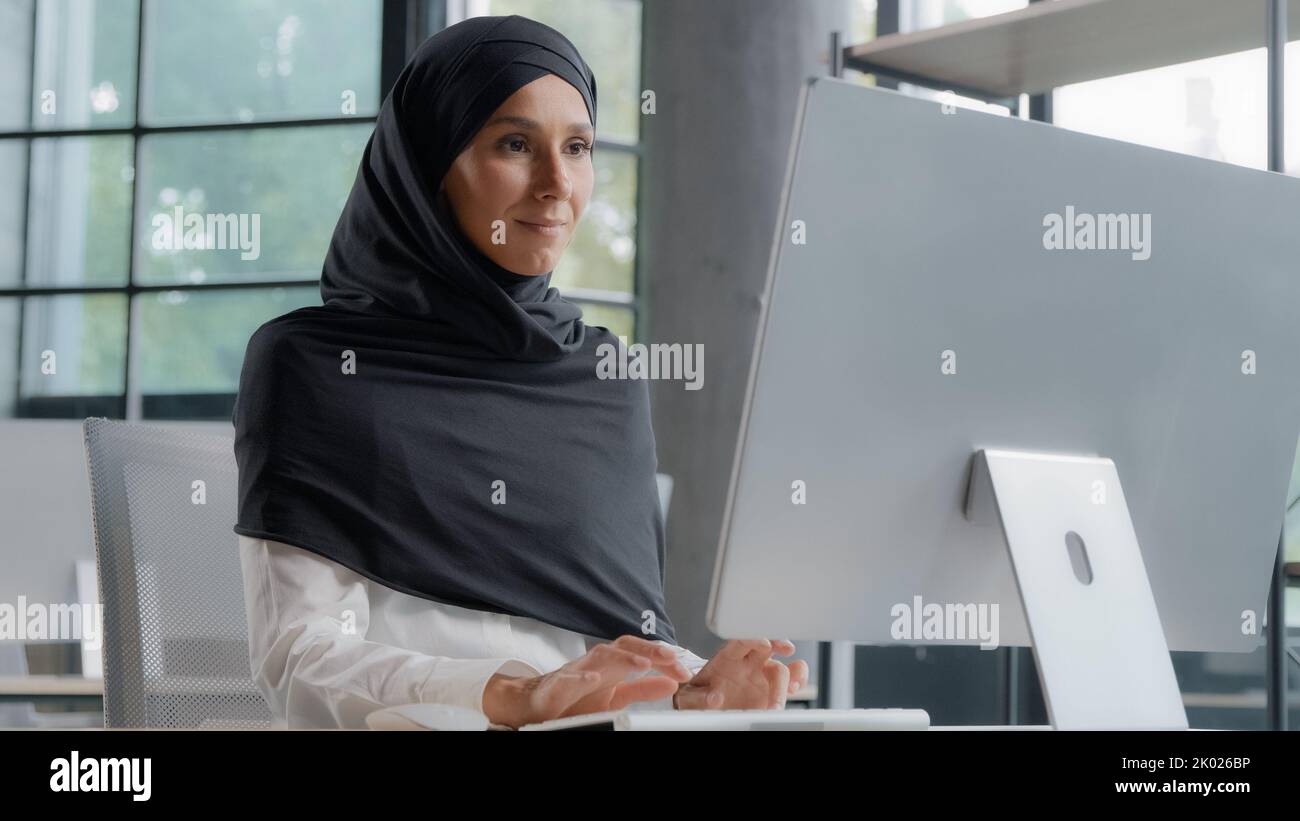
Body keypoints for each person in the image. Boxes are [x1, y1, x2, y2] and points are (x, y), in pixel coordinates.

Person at [231, 14, 808, 730]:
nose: (557, 183)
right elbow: (297, 656)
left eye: (578, 146)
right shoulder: (311, 366)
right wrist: (508, 693)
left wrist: (688, 690)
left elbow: (606, 646)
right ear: (429, 165)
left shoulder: (603, 380)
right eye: (515, 143)